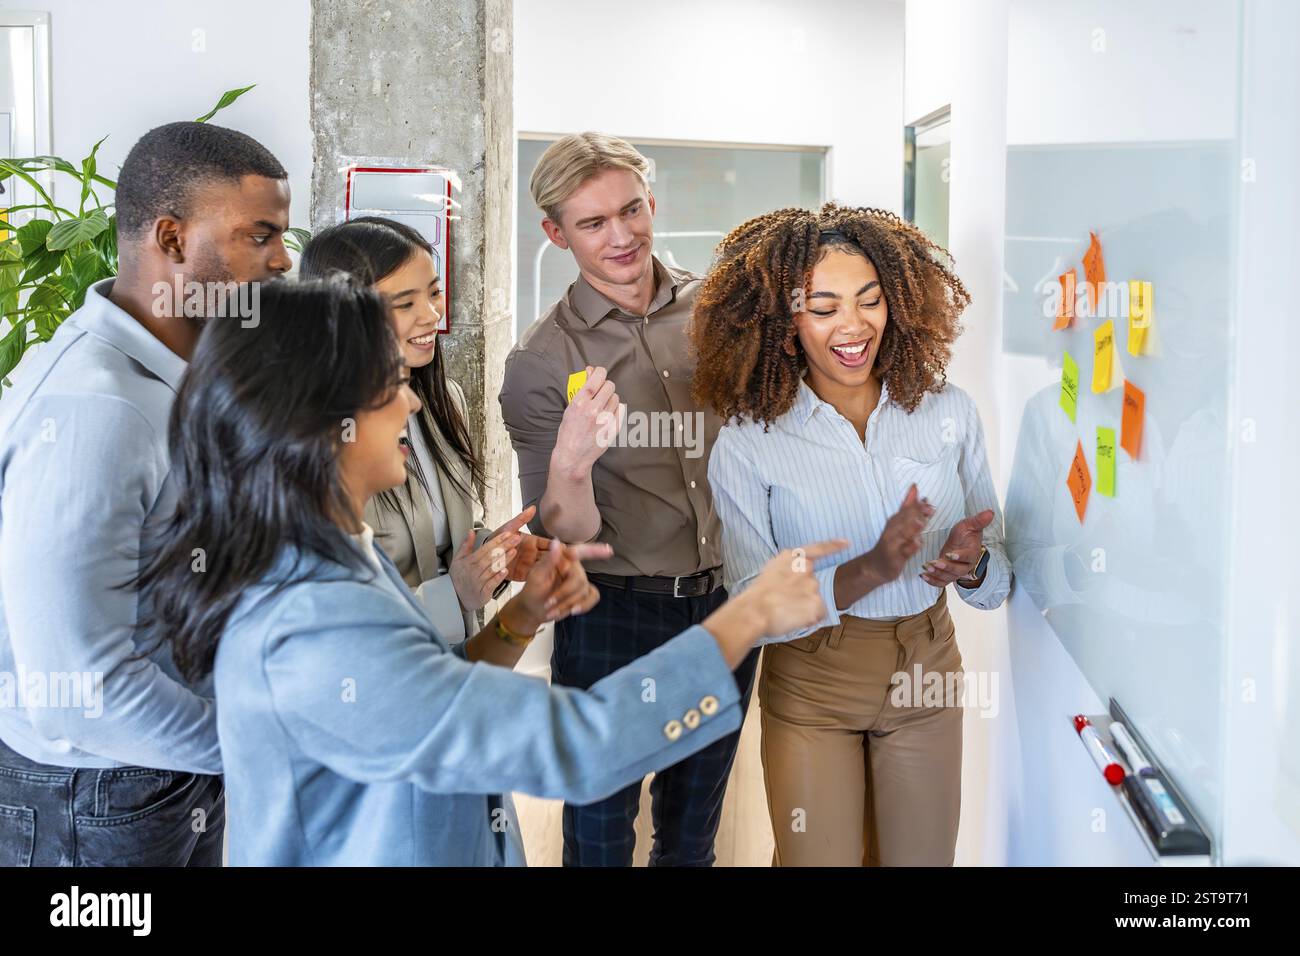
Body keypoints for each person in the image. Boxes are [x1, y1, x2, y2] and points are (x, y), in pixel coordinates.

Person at [134, 277, 844, 866]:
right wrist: (749, 615)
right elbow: (579, 745)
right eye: (389, 386)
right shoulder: (313, 619)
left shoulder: (336, 555)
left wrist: (517, 620)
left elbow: (429, 699)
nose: (412, 403)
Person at [0, 121, 292, 866]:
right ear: (170, 239)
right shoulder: (99, 408)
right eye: (258, 237)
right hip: (98, 795)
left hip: (164, 771)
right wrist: (250, 744)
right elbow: (79, 690)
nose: (281, 261)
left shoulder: (173, 377)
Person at [690, 203, 1012, 867]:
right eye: (825, 306)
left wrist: (974, 566)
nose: (853, 324)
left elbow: (997, 579)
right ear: (785, 326)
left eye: (870, 300)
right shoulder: (751, 443)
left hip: (926, 670)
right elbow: (752, 609)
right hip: (813, 685)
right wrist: (867, 568)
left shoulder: (948, 412)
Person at [500, 132, 760, 866]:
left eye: (631, 209)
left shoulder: (719, 314)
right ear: (556, 234)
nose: (621, 236)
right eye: (592, 223)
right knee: (600, 838)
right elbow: (561, 532)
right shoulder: (540, 363)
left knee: (691, 838)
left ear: (653, 203)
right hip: (612, 614)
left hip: (720, 605)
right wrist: (574, 463)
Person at [300, 217, 547, 641]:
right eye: (405, 303)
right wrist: (453, 593)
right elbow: (327, 616)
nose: (432, 315)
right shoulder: (310, 437)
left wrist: (495, 554)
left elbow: (452, 535)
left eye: (434, 293)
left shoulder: (441, 400)